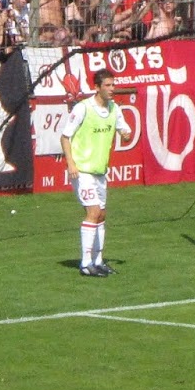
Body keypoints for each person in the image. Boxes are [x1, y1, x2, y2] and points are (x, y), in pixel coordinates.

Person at [59, 69, 128, 277]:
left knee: (102, 214)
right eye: (107, 85)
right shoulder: (83, 109)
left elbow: (125, 132)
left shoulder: (115, 109)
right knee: (93, 212)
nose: (112, 89)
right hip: (82, 171)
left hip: (99, 171)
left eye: (113, 85)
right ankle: (85, 263)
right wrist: (71, 163)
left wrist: (125, 134)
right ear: (97, 87)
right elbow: (65, 137)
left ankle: (98, 261)